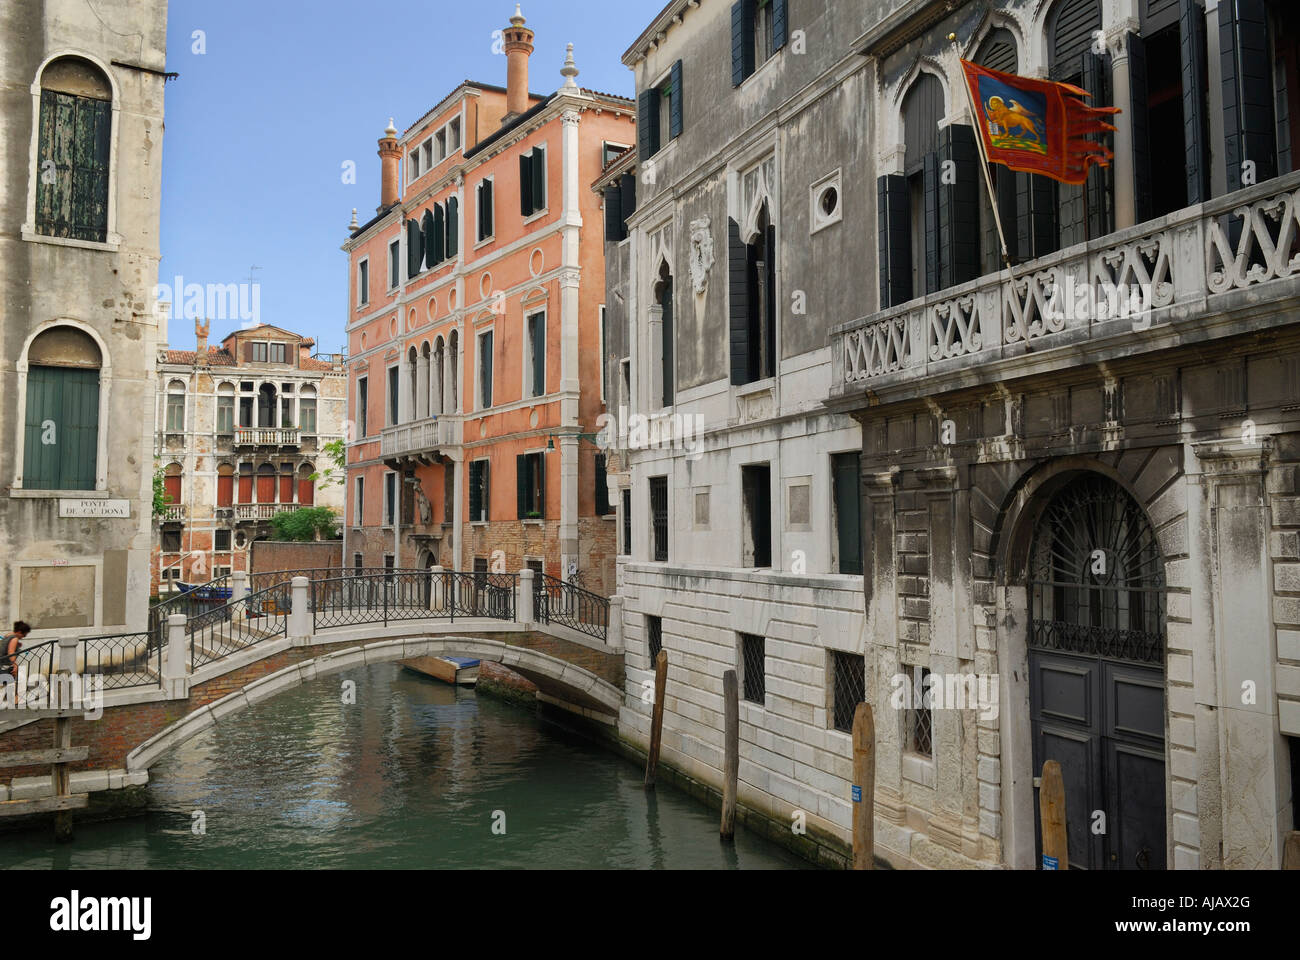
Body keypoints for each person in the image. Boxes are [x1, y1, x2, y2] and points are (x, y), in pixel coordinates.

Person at [1, 621, 31, 687]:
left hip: (2, 665)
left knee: (8, 690)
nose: (24, 637)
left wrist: (17, 646)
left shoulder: (8, 635)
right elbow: (11, 653)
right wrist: (15, 665)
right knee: (12, 690)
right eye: (24, 635)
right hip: (6, 667)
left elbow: (5, 647)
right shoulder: (14, 639)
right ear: (19, 632)